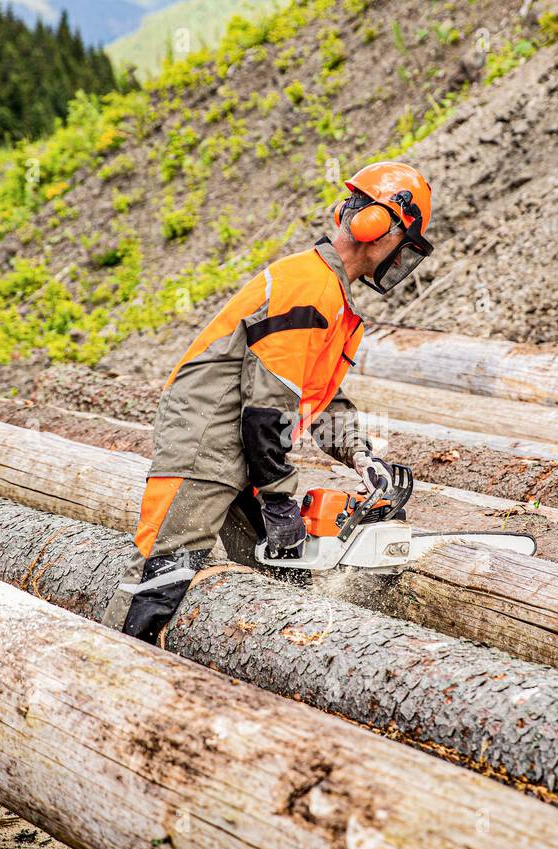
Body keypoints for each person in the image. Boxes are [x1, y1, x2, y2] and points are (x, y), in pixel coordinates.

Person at [121, 160, 435, 643]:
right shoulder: (307, 287)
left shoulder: (328, 294)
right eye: (405, 243)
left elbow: (315, 397)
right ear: (380, 226)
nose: (401, 258)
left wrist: (361, 456)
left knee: (282, 576)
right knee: (163, 573)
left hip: (240, 448)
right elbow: (267, 413)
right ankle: (109, 672)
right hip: (206, 441)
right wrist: (280, 501)